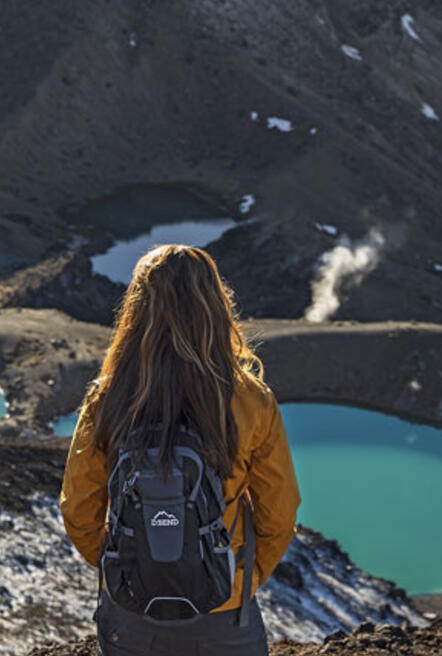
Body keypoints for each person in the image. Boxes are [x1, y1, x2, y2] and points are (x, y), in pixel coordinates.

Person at [59, 243, 301, 656]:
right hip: (223, 609)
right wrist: (243, 579)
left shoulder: (108, 398)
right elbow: (279, 511)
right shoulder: (249, 399)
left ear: (137, 311)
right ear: (214, 305)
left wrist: (126, 568)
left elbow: (78, 508)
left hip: (131, 612)